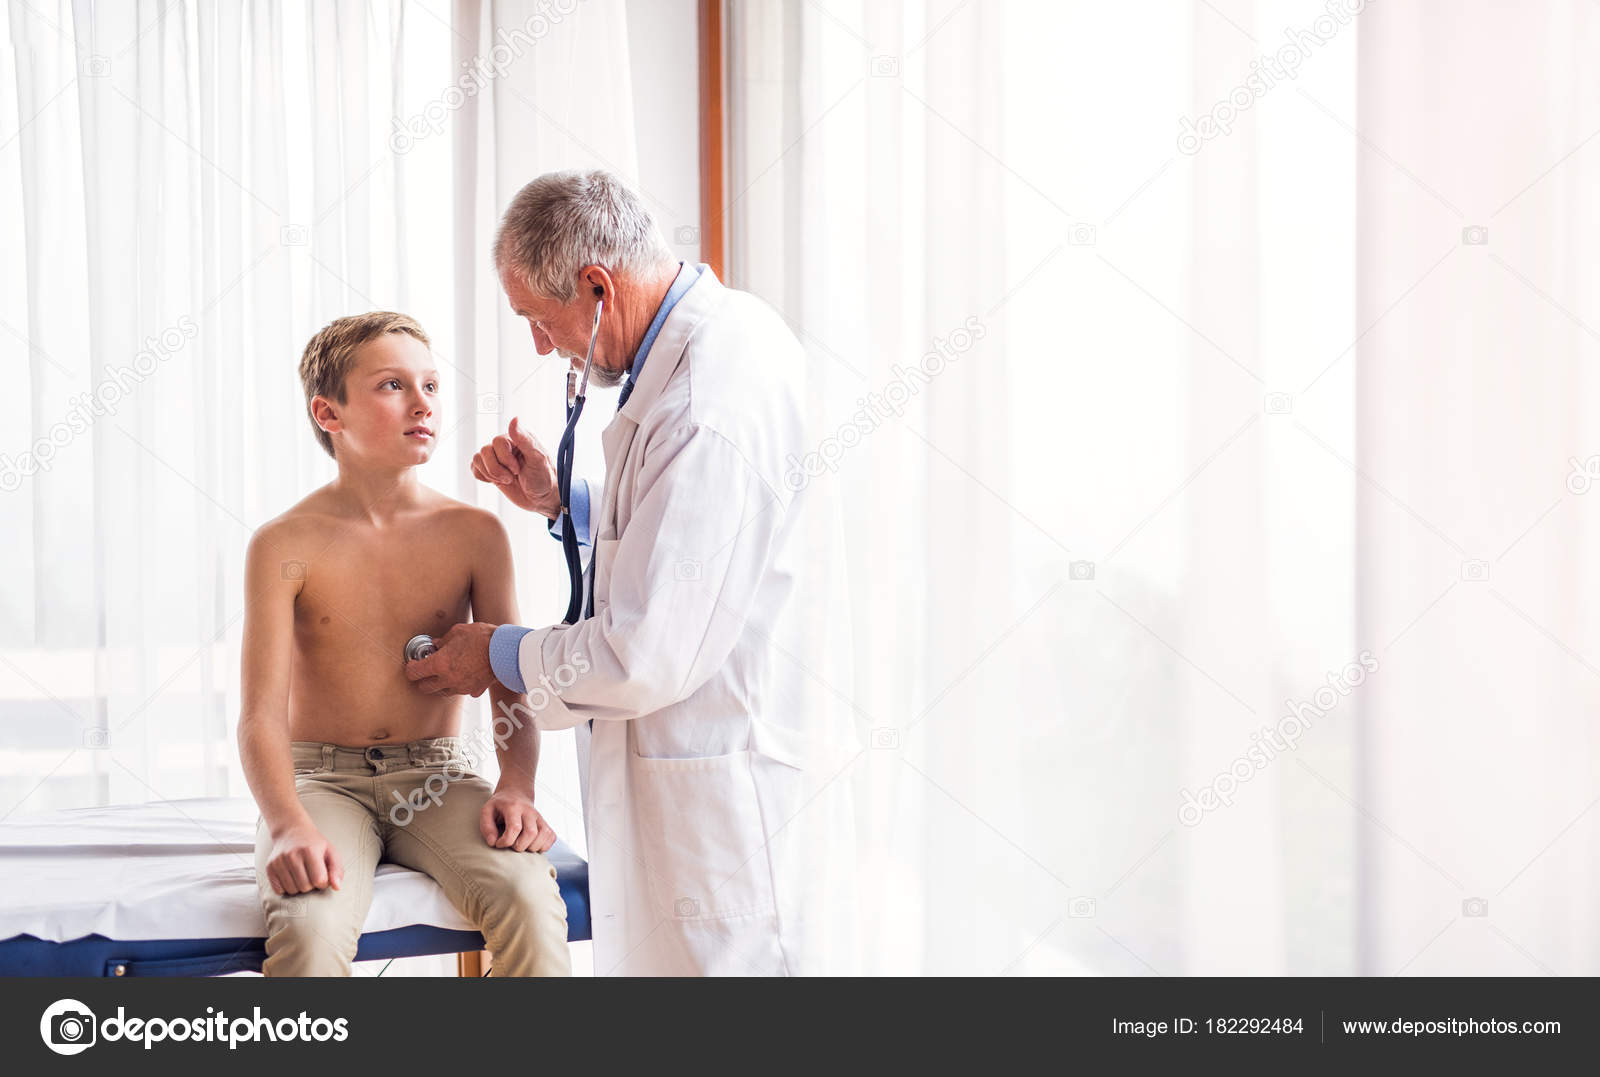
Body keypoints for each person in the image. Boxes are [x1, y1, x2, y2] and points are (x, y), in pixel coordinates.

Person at [405, 169, 858, 975]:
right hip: (705, 774)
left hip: (725, 799)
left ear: (597, 286)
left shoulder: (706, 405)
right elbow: (688, 540)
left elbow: (642, 651)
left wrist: (495, 653)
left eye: (540, 322)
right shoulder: (716, 342)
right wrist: (565, 500)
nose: (544, 346)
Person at [237, 311, 570, 976]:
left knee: (531, 902)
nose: (423, 403)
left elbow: (511, 682)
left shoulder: (476, 533)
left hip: (439, 774)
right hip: (322, 780)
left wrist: (518, 786)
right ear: (329, 413)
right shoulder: (283, 543)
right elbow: (260, 717)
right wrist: (288, 823)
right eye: (393, 386)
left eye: (432, 385)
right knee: (309, 927)